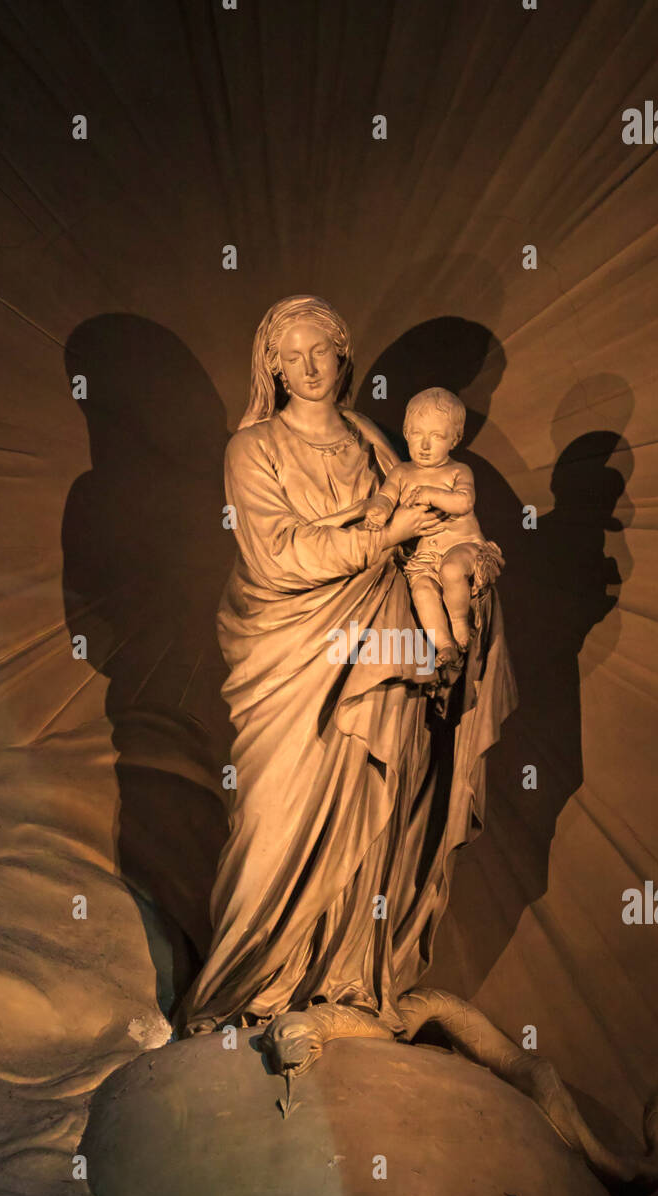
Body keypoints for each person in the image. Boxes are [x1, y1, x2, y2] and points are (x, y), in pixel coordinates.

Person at [175, 295, 516, 1038]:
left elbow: (436, 530)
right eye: (289, 358)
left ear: (342, 353)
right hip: (289, 656)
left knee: (373, 800)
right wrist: (381, 535)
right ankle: (237, 994)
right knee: (275, 818)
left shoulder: (369, 436)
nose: (307, 369)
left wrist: (469, 567)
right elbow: (277, 554)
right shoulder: (253, 448)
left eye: (319, 352)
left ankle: (342, 984)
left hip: (377, 648)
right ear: (271, 368)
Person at [361, 387, 504, 669]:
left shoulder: (458, 471)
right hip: (425, 558)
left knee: (452, 571)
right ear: (405, 431)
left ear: (455, 439)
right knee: (422, 591)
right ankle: (445, 645)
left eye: (436, 436)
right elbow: (387, 495)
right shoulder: (402, 472)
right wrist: (379, 509)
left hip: (463, 546)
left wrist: (431, 494)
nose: (425, 445)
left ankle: (460, 623)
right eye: (417, 434)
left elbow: (464, 502)